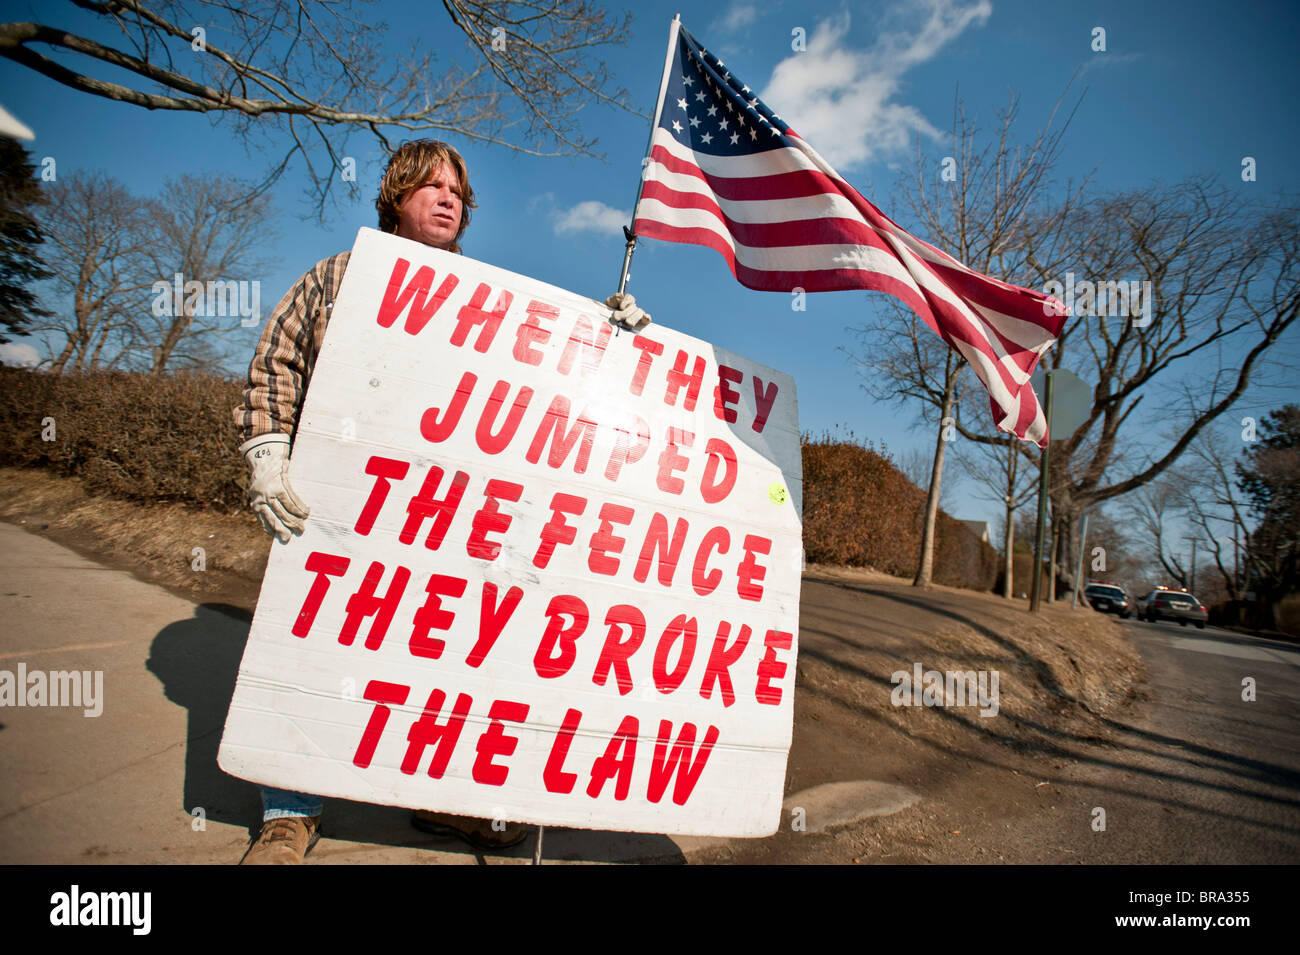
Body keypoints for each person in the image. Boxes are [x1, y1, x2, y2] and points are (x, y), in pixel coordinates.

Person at [231, 139, 651, 864]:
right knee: (306, 646)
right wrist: (267, 451)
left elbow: (546, 388)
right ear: (395, 195)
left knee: (441, 661)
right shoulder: (340, 276)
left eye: (457, 188)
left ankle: (441, 797)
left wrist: (603, 337)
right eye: (430, 184)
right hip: (336, 508)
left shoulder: (487, 301)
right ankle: (289, 811)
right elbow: (278, 358)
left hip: (440, 525)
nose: (448, 197)